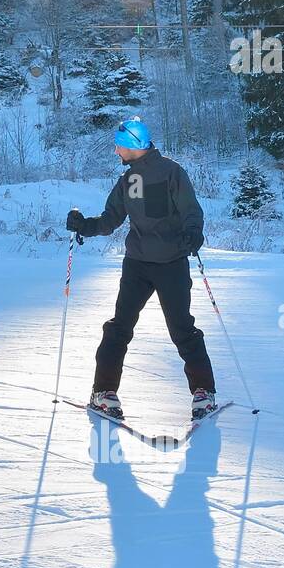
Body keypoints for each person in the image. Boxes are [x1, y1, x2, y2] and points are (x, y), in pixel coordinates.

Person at [65, 116, 217, 420]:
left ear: (132, 146)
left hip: (172, 263)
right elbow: (110, 220)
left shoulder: (172, 172)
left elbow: (191, 210)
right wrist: (84, 226)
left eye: (118, 146)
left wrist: (193, 232)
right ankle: (104, 393)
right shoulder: (128, 180)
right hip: (137, 264)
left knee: (182, 329)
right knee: (119, 327)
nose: (116, 151)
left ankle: (203, 393)